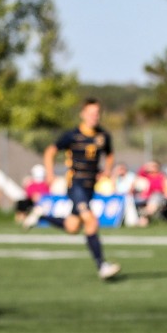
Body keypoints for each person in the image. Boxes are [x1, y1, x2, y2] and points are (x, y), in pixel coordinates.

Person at [43, 98, 121, 279]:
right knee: (91, 220)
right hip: (75, 184)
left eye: (97, 113)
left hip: (90, 186)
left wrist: (108, 171)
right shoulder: (72, 135)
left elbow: (110, 155)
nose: (94, 116)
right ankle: (102, 265)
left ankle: (40, 214)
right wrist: (50, 173)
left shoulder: (103, 136)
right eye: (91, 113)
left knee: (72, 227)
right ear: (83, 114)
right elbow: (50, 151)